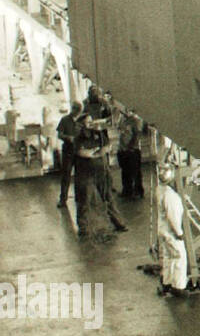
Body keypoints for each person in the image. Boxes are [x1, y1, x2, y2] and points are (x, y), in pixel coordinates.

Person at [73, 104, 126, 238]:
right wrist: (97, 153)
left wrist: (95, 152)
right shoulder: (78, 138)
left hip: (101, 172)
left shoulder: (99, 134)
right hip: (85, 175)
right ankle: (83, 228)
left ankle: (118, 223)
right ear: (81, 125)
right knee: (84, 201)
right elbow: (83, 152)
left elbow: (107, 148)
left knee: (108, 197)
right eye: (88, 123)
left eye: (91, 122)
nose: (91, 124)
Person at [156, 164, 189, 295]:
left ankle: (167, 283)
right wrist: (179, 233)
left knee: (167, 257)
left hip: (162, 231)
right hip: (171, 233)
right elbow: (173, 217)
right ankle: (179, 287)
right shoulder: (171, 196)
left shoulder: (160, 189)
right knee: (179, 257)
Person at [55, 101, 81, 208]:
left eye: (78, 110)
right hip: (68, 152)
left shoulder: (81, 121)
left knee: (80, 176)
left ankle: (79, 197)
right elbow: (59, 134)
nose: (76, 112)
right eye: (75, 109)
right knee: (66, 175)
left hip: (79, 152)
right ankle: (63, 199)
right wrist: (67, 138)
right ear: (72, 109)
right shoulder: (64, 120)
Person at [117, 112, 144, 199]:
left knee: (135, 173)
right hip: (123, 150)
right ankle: (127, 191)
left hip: (132, 151)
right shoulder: (123, 119)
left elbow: (137, 135)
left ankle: (138, 191)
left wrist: (130, 147)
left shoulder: (136, 121)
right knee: (125, 172)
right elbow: (120, 130)